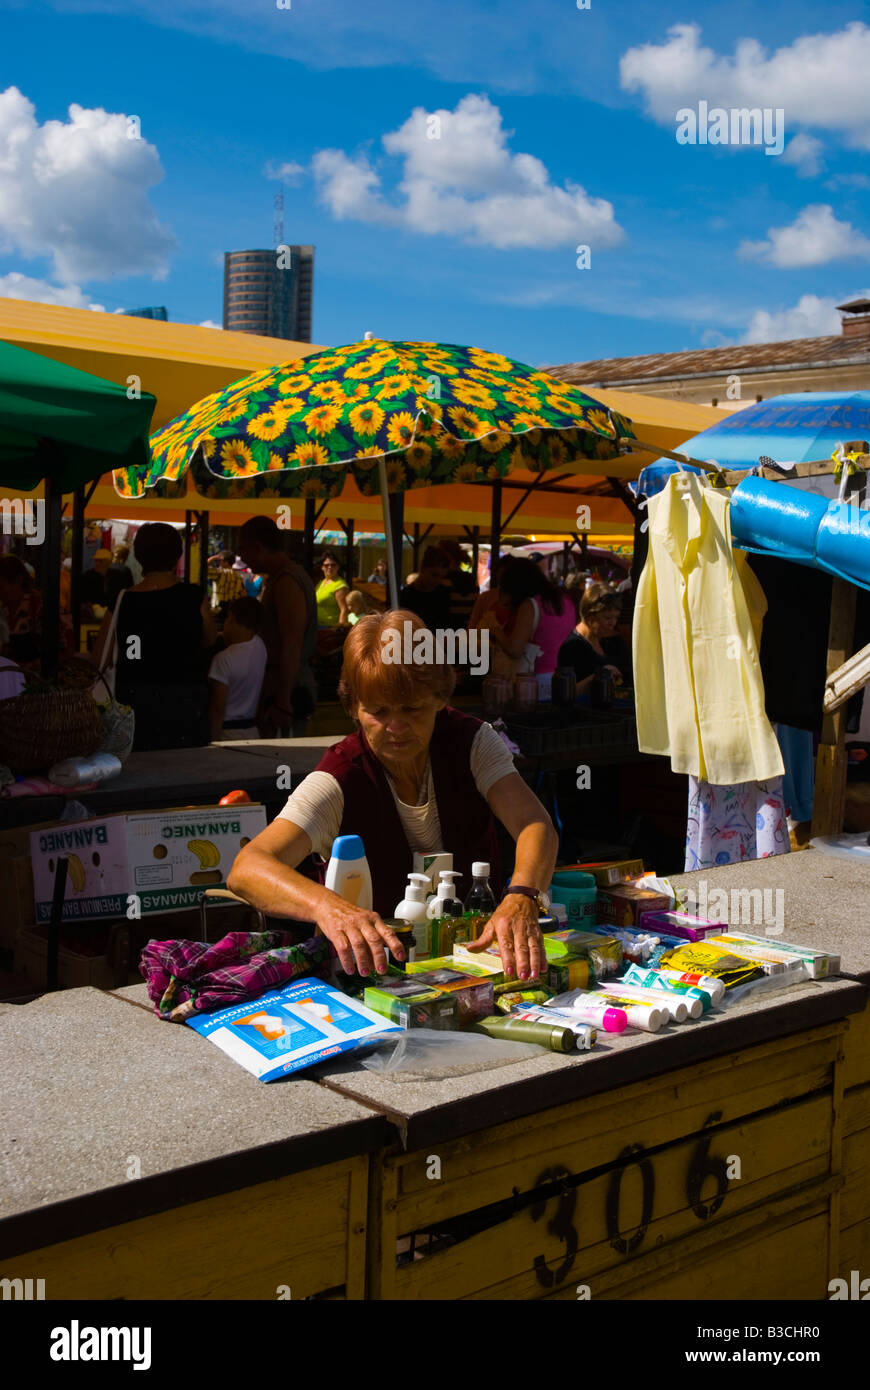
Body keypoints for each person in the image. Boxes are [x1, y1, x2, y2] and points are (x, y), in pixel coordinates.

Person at [228, 609, 558, 981]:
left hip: (474, 965)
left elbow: (533, 823)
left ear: (439, 696)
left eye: (412, 709)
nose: (396, 727)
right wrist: (329, 907)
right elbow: (248, 868)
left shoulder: (473, 742)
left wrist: (522, 895)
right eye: (378, 711)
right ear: (353, 707)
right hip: (373, 976)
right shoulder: (339, 775)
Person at [92, 522, 217, 751]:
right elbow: (209, 639)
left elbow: (101, 656)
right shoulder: (193, 597)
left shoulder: (123, 600)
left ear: (139, 556)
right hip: (185, 706)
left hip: (134, 707)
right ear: (177, 555)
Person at [237, 517, 318, 738]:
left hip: (288, 689)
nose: (242, 557)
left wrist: (283, 701)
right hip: (282, 685)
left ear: (258, 547)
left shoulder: (287, 582)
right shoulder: (279, 579)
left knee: (282, 763)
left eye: (242, 549)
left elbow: (292, 644)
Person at [482, 557, 575, 676]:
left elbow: (515, 650)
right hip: (563, 675)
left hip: (534, 677)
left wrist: (495, 630)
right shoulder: (565, 600)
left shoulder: (530, 605)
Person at [208, 597, 268, 741]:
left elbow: (217, 709)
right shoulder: (260, 648)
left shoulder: (223, 659)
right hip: (252, 732)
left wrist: (212, 740)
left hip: (227, 734)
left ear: (232, 619)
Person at [557, 583, 632, 693]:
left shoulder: (610, 641)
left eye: (616, 617)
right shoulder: (572, 647)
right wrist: (599, 676)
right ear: (589, 616)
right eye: (607, 618)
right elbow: (566, 692)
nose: (613, 623)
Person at [0, 555, 42, 665]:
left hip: (34, 678)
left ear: (18, 580)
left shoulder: (37, 604)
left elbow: (65, 649)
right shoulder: (3, 608)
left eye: (1, 587)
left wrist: (33, 665)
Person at [399, 546, 452, 631]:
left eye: (442, 577)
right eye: (434, 575)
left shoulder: (443, 594)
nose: (437, 580)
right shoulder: (407, 595)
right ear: (422, 569)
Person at [316, 551, 350, 627]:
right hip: (317, 626)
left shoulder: (340, 585)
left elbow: (344, 609)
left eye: (333, 565)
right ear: (322, 567)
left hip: (330, 629)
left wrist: (340, 628)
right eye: (326, 565)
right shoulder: (321, 583)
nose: (329, 567)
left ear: (338, 567)